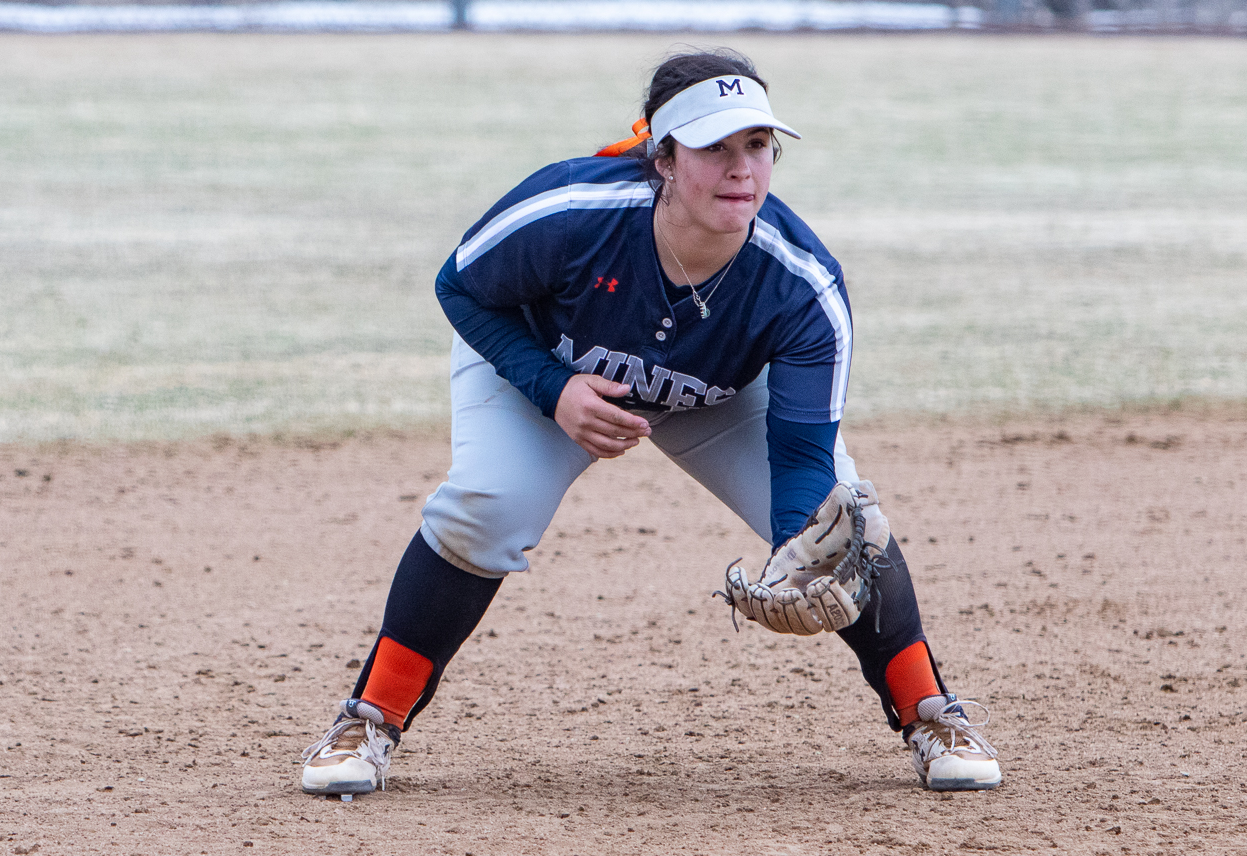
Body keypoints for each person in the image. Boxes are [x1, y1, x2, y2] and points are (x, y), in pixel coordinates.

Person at [300, 48, 1001, 797]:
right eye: (715, 147)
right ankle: (368, 718)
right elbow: (462, 287)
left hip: (715, 393)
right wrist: (552, 387)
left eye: (758, 146)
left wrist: (799, 549)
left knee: (842, 522)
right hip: (542, 363)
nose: (742, 169)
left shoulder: (802, 286)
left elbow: (801, 452)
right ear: (663, 157)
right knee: (487, 504)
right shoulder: (572, 212)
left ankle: (930, 712)